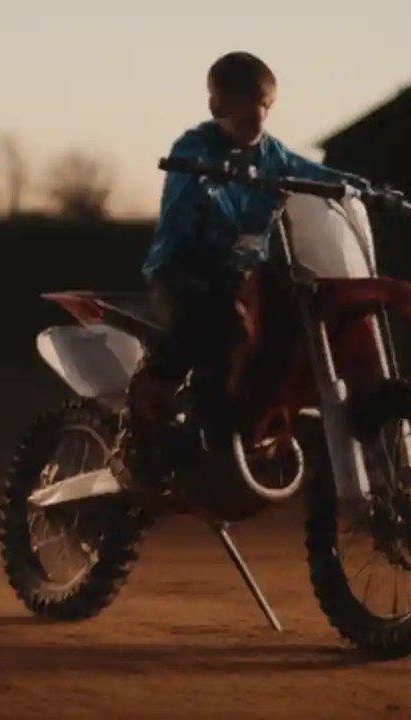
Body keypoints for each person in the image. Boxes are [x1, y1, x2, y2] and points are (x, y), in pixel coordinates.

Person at [116, 51, 351, 487]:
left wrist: (361, 189)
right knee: (212, 327)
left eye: (263, 110)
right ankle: (156, 404)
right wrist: (215, 176)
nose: (256, 122)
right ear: (218, 107)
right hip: (183, 269)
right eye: (245, 113)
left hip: (240, 277)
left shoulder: (272, 153)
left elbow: (314, 172)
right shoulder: (194, 147)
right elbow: (198, 181)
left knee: (275, 329)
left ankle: (254, 422)